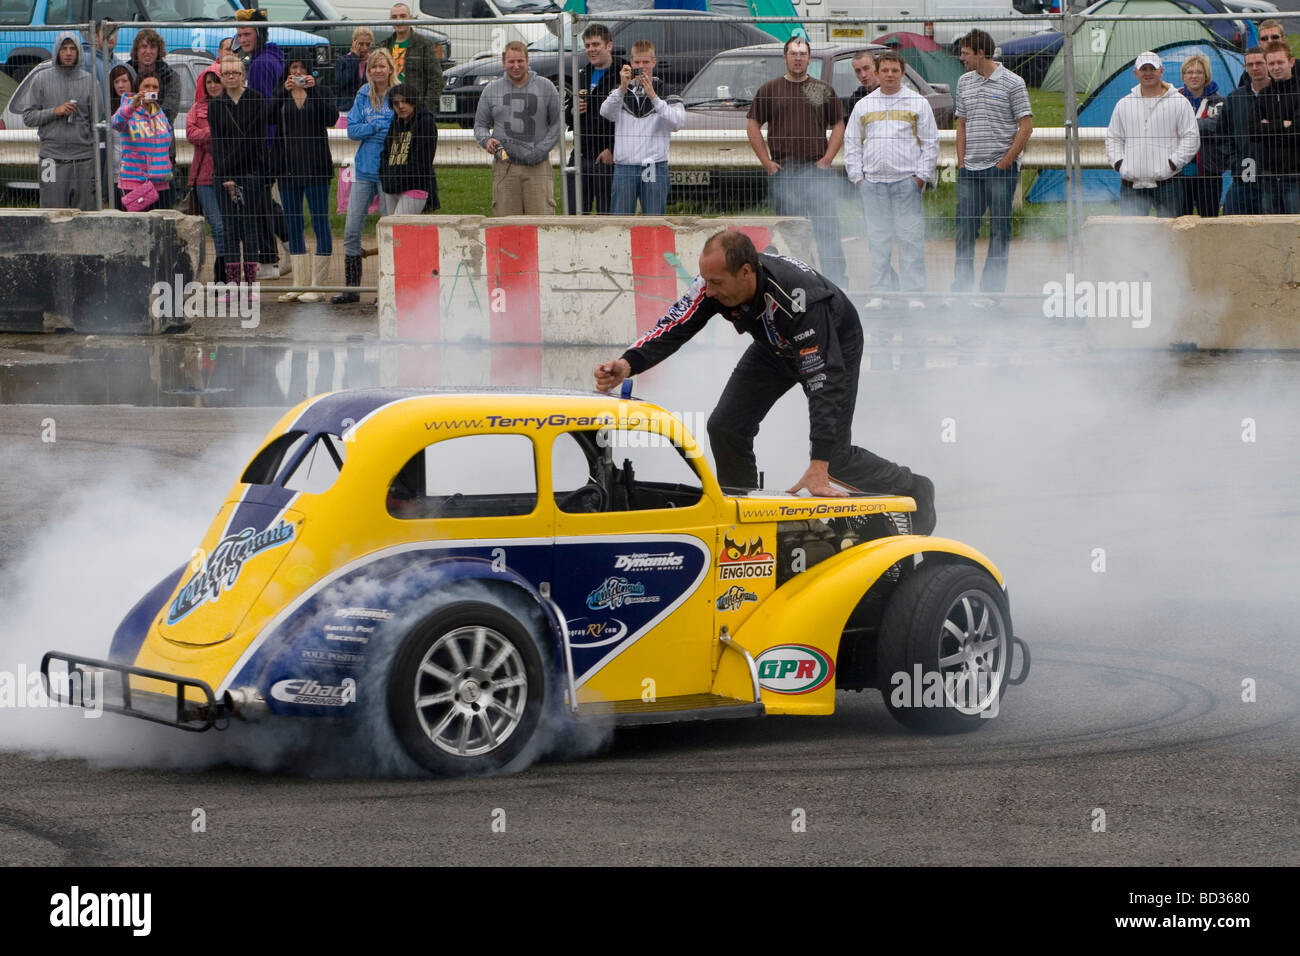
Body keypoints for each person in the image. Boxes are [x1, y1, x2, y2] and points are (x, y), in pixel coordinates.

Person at [591, 230, 937, 532]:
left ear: (746, 272)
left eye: (717, 284)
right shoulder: (713, 281)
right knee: (725, 426)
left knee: (836, 457)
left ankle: (916, 487)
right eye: (705, 281)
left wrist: (819, 465)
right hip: (775, 344)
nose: (708, 291)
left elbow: (823, 382)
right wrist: (628, 363)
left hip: (832, 345)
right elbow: (676, 324)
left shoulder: (799, 298)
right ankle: (743, 514)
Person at [746, 36, 847, 284]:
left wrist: (827, 159)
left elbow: (838, 124)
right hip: (784, 173)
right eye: (793, 53)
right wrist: (766, 163)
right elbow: (752, 125)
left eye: (802, 54)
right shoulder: (769, 90)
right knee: (790, 233)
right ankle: (795, 282)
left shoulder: (820, 89)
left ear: (809, 58)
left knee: (827, 230)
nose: (798, 58)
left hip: (815, 171)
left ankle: (837, 283)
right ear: (785, 58)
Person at [844, 50, 938, 310]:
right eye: (884, 70)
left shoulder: (917, 103)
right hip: (872, 184)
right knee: (878, 241)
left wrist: (920, 178)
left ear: (903, 72)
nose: (889, 75)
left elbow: (931, 143)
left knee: (910, 240)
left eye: (894, 70)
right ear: (877, 72)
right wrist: (858, 179)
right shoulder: (864, 105)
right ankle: (880, 293)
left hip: (906, 182)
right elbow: (851, 144)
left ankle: (913, 294)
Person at [953, 28, 1033, 301]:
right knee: (965, 230)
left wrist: (1006, 161)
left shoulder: (1013, 82)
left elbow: (1026, 125)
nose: (961, 58)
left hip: (1000, 170)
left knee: (999, 231)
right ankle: (961, 291)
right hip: (969, 171)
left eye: (965, 54)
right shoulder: (964, 82)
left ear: (980, 53)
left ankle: (991, 294)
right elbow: (960, 123)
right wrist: (961, 162)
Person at [334, 48, 397, 304]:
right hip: (364, 171)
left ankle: (388, 288)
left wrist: (374, 129)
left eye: (383, 66)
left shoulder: (398, 94)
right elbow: (353, 130)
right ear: (369, 70)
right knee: (351, 229)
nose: (378, 71)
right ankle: (351, 288)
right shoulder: (363, 94)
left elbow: (400, 126)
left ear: (391, 68)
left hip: (390, 172)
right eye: (374, 67)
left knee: (388, 231)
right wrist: (375, 126)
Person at [273, 60, 337, 302]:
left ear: (309, 71)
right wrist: (282, 92)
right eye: (293, 69)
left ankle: (318, 285)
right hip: (288, 168)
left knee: (320, 221)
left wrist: (314, 91)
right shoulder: (281, 93)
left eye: (301, 69)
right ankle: (299, 282)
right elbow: (269, 118)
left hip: (316, 167)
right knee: (293, 224)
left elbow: (330, 118)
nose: (297, 73)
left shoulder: (321, 91)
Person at [1105, 52, 1198, 218]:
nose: (1148, 73)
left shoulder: (1179, 102)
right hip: (1131, 184)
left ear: (1161, 71)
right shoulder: (1124, 104)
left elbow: (1191, 138)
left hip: (1168, 183)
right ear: (1136, 73)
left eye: (1152, 69)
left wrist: (1172, 164)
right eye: (1143, 69)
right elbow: (1113, 138)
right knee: (1131, 236)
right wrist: (1120, 164)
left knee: (1170, 235)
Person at [475, 41, 562, 216]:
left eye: (520, 61)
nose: (516, 66)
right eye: (511, 62)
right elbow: (480, 125)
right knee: (507, 227)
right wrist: (486, 140)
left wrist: (539, 151)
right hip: (505, 168)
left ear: (528, 61)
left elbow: (558, 124)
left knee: (540, 224)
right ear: (503, 62)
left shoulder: (546, 87)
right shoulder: (491, 90)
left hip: (538, 168)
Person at [601, 39, 685, 216]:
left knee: (653, 221)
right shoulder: (620, 92)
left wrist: (654, 97)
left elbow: (677, 123)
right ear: (630, 63)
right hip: (625, 166)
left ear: (654, 62)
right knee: (621, 223)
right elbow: (606, 113)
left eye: (646, 62)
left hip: (653, 166)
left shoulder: (667, 90)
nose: (641, 66)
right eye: (637, 62)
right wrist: (622, 88)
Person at [209, 54, 272, 286]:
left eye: (235, 73)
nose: (231, 77)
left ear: (243, 75)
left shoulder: (256, 100)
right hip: (224, 176)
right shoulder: (216, 105)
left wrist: (229, 170)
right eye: (226, 74)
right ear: (221, 77)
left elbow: (252, 140)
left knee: (249, 227)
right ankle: (233, 283)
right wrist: (224, 175)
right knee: (230, 229)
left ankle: (251, 283)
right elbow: (217, 141)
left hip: (250, 172)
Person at [22, 32, 97, 211]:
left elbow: (98, 119)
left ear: (79, 52)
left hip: (83, 160)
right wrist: (55, 111)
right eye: (64, 49)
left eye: (72, 48)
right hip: (50, 159)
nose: (68, 53)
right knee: (51, 213)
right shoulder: (41, 79)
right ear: (57, 51)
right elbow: (28, 117)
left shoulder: (90, 81)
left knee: (84, 215)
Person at [566, 22, 624, 214]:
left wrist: (612, 148)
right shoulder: (582, 74)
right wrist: (573, 111)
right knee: (574, 213)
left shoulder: (622, 74)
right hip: (581, 153)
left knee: (606, 215)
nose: (591, 50)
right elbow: (567, 114)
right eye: (588, 45)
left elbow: (630, 117)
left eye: (596, 44)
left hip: (606, 156)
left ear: (609, 45)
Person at [187, 64, 228, 285]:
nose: (213, 85)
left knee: (231, 227)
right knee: (218, 226)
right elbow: (191, 134)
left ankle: (229, 274)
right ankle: (220, 277)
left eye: (216, 80)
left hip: (229, 175)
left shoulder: (233, 104)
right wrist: (217, 133)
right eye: (209, 81)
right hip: (204, 178)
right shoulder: (197, 108)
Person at [1250, 41, 1300, 213]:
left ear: (1291, 62)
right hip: (1269, 176)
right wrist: (1283, 124)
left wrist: (1269, 126)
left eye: (1280, 62)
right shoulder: (1264, 95)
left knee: (1295, 226)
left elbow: (1297, 132)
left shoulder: (1298, 91)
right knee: (1270, 230)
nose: (1276, 67)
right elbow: (1254, 132)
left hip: (1295, 176)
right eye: (1271, 63)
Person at [113, 72, 174, 210]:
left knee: (161, 229)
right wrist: (132, 106)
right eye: (146, 86)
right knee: (136, 228)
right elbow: (116, 123)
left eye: (155, 87)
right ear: (138, 89)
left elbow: (168, 135)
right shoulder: (128, 110)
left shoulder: (160, 112)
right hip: (134, 182)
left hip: (161, 181)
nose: (151, 90)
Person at [1221, 46, 1269, 215]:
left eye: (1259, 63)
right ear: (1245, 68)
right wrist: (1234, 161)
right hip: (1243, 176)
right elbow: (1224, 134)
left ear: (1268, 64)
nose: (1255, 68)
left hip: (1274, 178)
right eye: (1250, 65)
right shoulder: (1234, 98)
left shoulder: (1281, 95)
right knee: (1231, 220)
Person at [1176, 53, 1225, 217]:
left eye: (1199, 72)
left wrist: (1184, 126)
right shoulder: (1173, 100)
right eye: (1190, 72)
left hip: (1209, 171)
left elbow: (1217, 126)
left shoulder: (1218, 101)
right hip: (1179, 173)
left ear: (1206, 76)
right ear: (1183, 76)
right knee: (1180, 221)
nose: (1194, 76)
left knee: (1209, 220)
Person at [379, 83, 439, 215]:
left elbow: (423, 161)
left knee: (399, 228)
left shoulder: (426, 123)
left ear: (413, 101)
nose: (400, 106)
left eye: (405, 101)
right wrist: (386, 178)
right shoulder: (396, 123)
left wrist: (397, 178)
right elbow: (386, 154)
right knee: (393, 230)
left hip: (414, 187)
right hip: (392, 187)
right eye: (396, 103)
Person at [380, 4, 445, 107]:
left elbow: (436, 79)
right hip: (389, 107)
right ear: (390, 20)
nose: (399, 20)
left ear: (411, 18)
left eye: (403, 16)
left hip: (415, 108)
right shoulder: (384, 47)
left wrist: (427, 109)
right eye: (394, 17)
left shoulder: (424, 45)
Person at [126, 28, 180, 125]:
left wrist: (148, 125)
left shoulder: (170, 77)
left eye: (152, 47)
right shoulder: (126, 73)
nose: (148, 51)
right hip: (131, 133)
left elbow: (170, 110)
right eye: (144, 46)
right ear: (136, 50)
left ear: (158, 51)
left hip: (161, 132)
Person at [105, 63, 136, 211]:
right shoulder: (108, 108)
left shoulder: (139, 107)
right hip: (114, 174)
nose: (120, 85)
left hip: (134, 174)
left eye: (124, 80)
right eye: (116, 82)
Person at [335, 26, 373, 114]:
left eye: (368, 44)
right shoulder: (342, 60)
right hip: (347, 108)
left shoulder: (373, 61)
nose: (364, 48)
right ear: (353, 43)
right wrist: (354, 58)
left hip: (368, 107)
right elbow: (342, 82)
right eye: (361, 44)